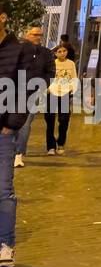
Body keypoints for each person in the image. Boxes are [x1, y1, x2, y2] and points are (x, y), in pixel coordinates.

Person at [0, 7, 34, 267]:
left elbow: (25, 90)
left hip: (3, 132)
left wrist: (11, 126)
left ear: (3, 17)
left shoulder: (19, 49)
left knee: (3, 191)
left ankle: (5, 246)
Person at [13, 26, 52, 167]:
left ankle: (18, 154)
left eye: (40, 35)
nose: (38, 37)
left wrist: (42, 86)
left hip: (33, 92)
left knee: (25, 123)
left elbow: (50, 72)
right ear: (27, 35)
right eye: (35, 34)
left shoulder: (46, 53)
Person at [44, 41, 78, 156]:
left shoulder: (71, 64)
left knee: (64, 120)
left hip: (65, 93)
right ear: (55, 53)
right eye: (59, 51)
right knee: (50, 120)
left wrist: (72, 90)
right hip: (52, 92)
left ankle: (61, 143)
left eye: (64, 51)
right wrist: (47, 89)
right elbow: (46, 77)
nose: (62, 53)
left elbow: (74, 78)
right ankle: (50, 146)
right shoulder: (52, 63)